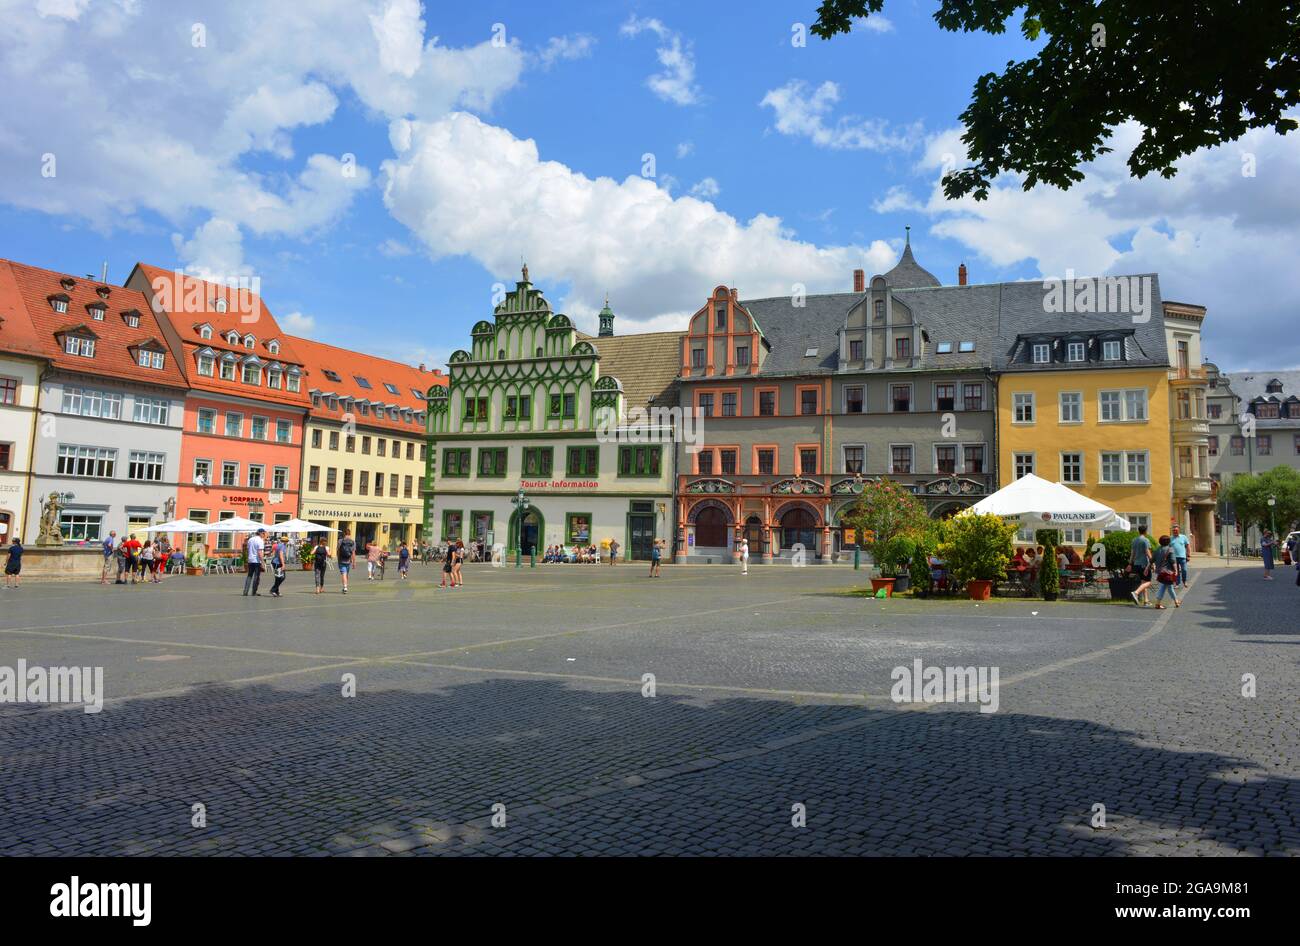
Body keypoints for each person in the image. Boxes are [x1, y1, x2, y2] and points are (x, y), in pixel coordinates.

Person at [1152, 535, 1181, 609]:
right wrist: (1176, 570)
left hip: (1160, 572)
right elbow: (1173, 561)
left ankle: (1176, 601)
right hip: (1167, 572)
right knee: (1166, 587)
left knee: (1167, 587)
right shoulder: (1170, 549)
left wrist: (1147, 568)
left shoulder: (1157, 550)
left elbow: (1152, 560)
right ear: (1168, 542)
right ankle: (1159, 603)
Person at [1129, 524, 1154, 606]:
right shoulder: (1145, 540)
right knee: (1148, 582)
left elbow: (1132, 553)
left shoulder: (1134, 540)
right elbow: (1148, 552)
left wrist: (1130, 563)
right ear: (1146, 531)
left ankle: (1146, 601)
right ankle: (1136, 592)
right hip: (1144, 564)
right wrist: (1152, 562)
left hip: (1136, 564)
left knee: (1143, 582)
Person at [243, 528, 266, 596]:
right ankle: (254, 592)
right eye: (264, 533)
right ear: (261, 533)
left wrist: (247, 558)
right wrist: (262, 562)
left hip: (250, 560)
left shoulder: (250, 539)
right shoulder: (260, 541)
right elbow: (259, 552)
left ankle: (245, 591)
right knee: (256, 576)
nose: (264, 535)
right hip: (257, 560)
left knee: (249, 576)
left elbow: (247, 549)